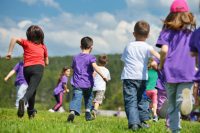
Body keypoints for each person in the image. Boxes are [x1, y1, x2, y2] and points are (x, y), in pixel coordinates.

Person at [156, 0, 196, 132]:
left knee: (172, 104)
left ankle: (174, 130)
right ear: (187, 15)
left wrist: (161, 64)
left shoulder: (166, 33)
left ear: (171, 16)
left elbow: (164, 50)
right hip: (188, 71)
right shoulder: (192, 34)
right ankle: (186, 99)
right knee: (182, 99)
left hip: (170, 72)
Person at [121, 20, 160, 131]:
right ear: (147, 35)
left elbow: (124, 60)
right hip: (142, 78)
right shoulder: (148, 47)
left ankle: (134, 123)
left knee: (131, 100)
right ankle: (142, 121)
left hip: (129, 77)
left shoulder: (128, 46)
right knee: (142, 99)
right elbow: (158, 56)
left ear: (134, 34)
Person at [6, 25, 49, 119]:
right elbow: (47, 62)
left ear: (28, 35)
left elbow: (13, 38)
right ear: (41, 35)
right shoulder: (43, 47)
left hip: (26, 69)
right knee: (31, 89)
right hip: (38, 68)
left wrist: (9, 53)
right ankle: (24, 100)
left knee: (32, 90)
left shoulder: (26, 43)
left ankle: (30, 112)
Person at [67, 36, 108, 122]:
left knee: (76, 98)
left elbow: (73, 68)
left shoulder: (75, 57)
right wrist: (103, 75)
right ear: (91, 47)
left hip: (77, 83)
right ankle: (88, 112)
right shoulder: (91, 57)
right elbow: (95, 67)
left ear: (80, 46)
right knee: (89, 98)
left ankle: (72, 112)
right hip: (87, 83)